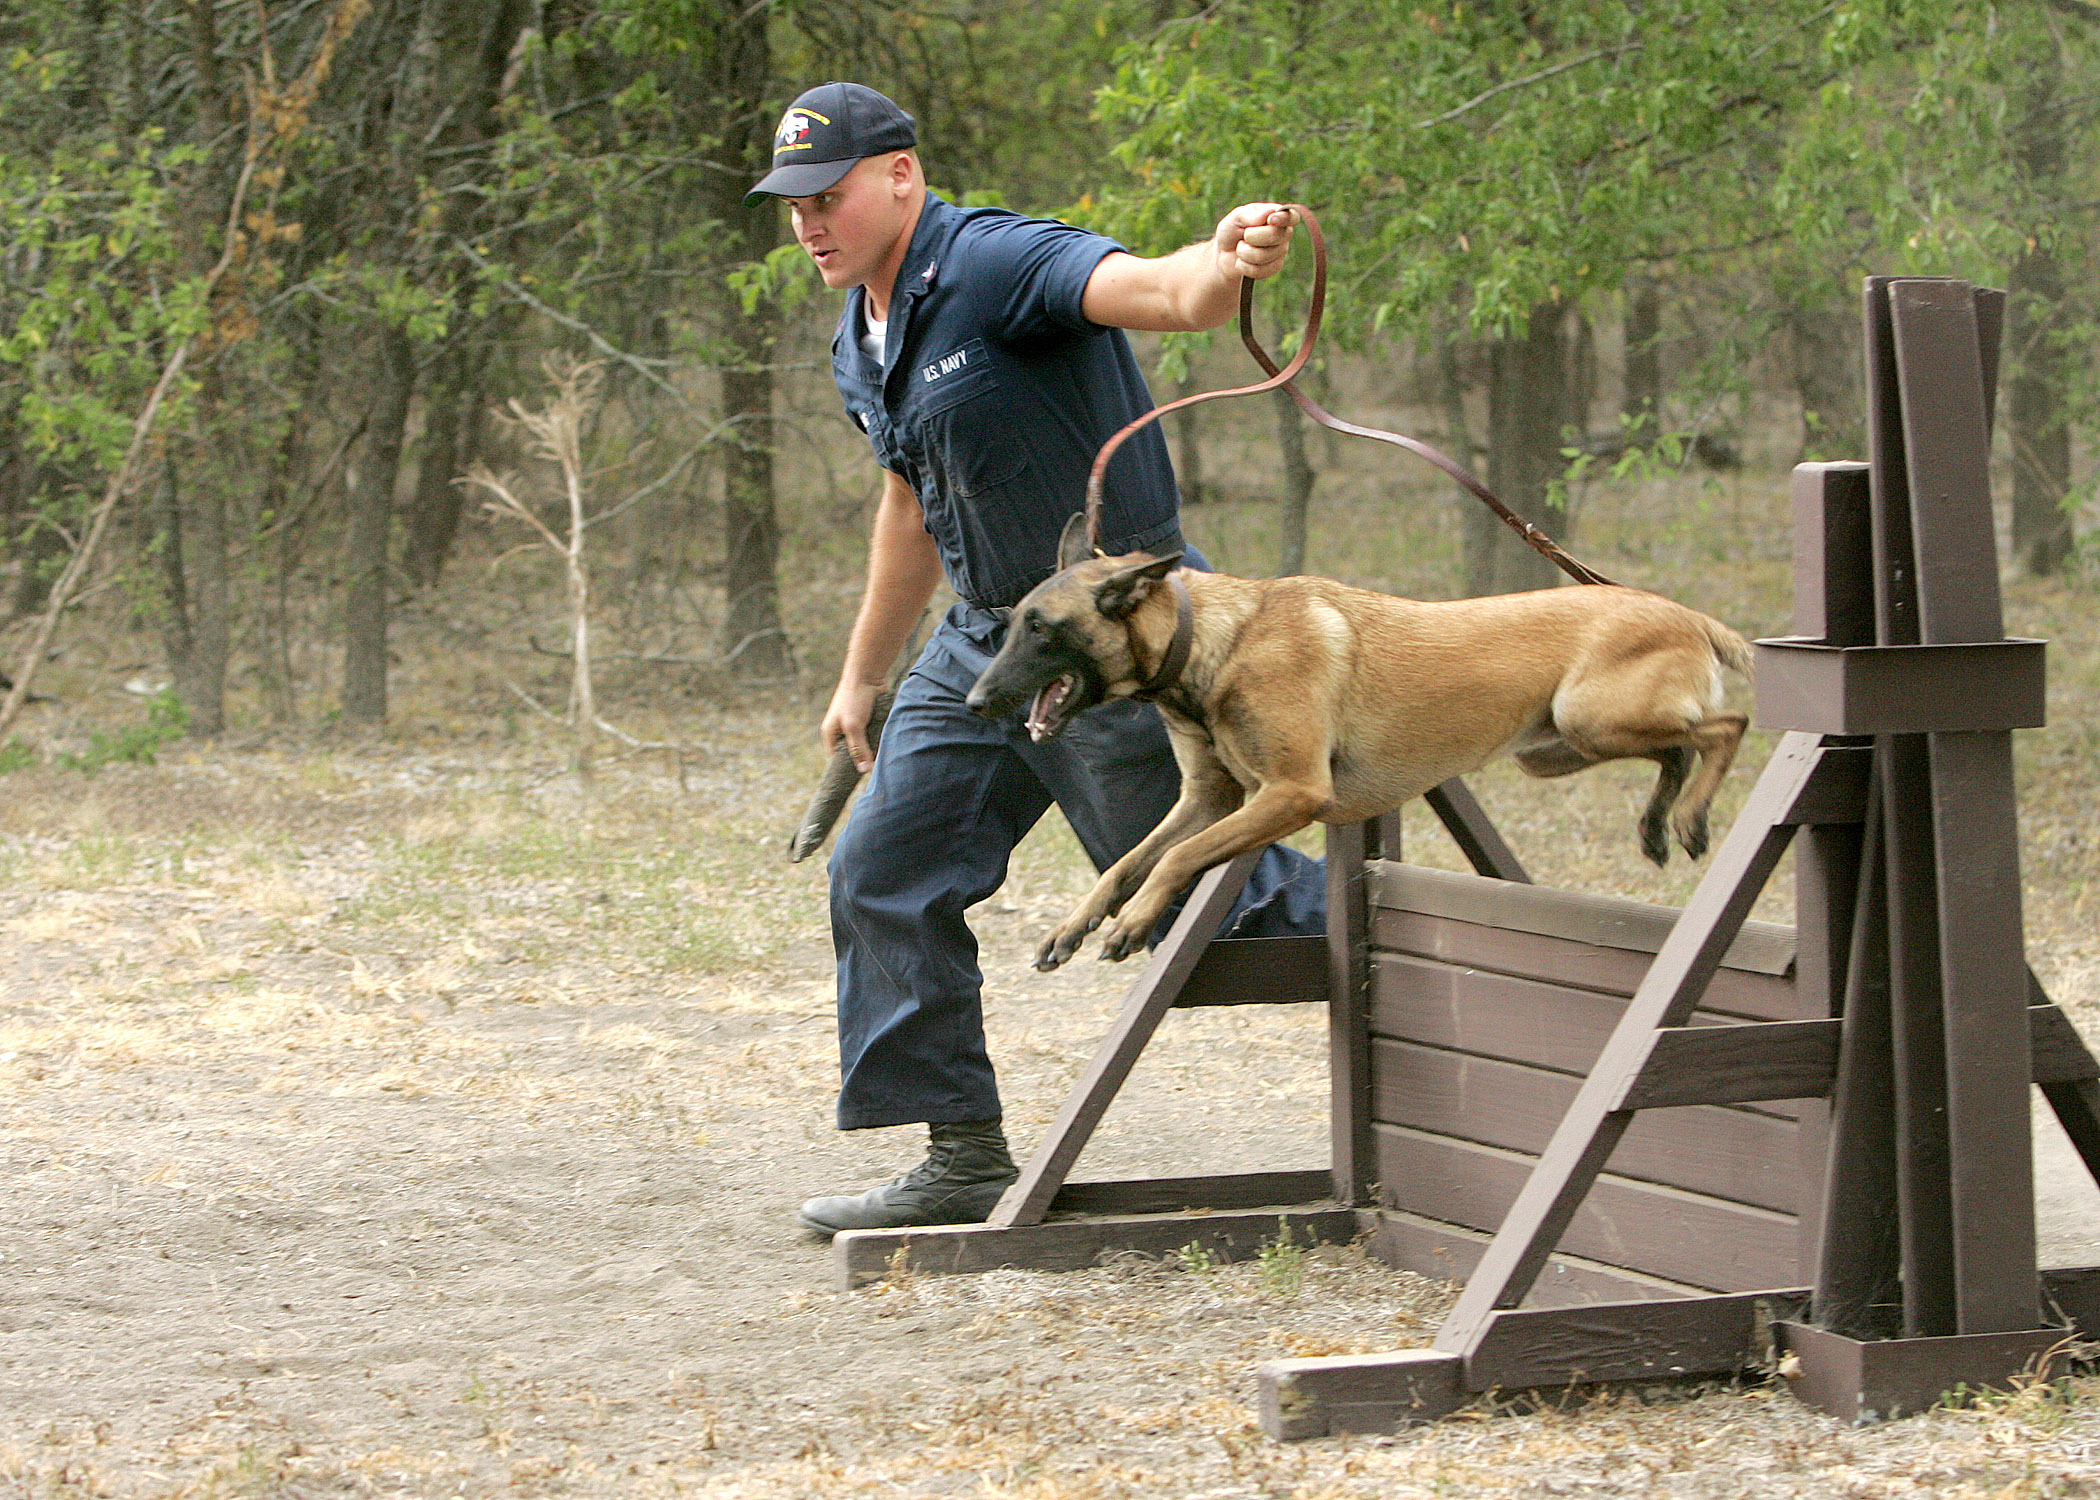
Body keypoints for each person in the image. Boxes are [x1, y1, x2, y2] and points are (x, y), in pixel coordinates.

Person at [746, 82, 1325, 1236]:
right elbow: (911, 504)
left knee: (1236, 913)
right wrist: (863, 674)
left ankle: (1498, 982)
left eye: (830, 194)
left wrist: (1226, 262)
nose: (809, 221)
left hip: (1125, 647)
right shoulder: (857, 340)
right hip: (988, 643)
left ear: (901, 174)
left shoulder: (995, 260)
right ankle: (960, 1156)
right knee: (881, 872)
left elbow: (1160, 292)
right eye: (793, 204)